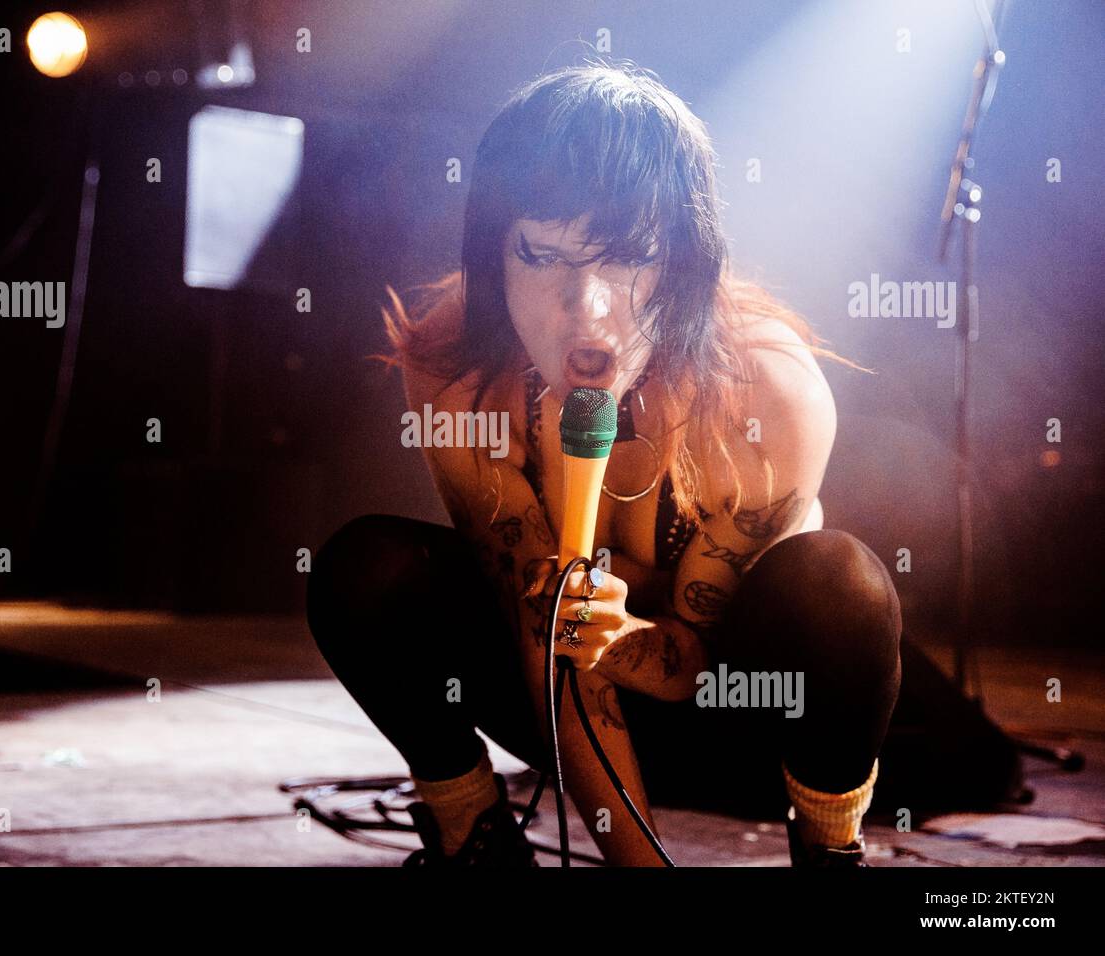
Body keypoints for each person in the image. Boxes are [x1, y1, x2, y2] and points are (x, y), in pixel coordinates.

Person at [306, 59, 902, 867]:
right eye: (542, 256)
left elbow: (695, 661)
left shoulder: (771, 393)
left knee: (843, 585)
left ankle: (831, 850)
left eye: (627, 258)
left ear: (686, 261)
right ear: (494, 257)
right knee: (363, 571)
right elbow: (535, 625)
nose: (585, 309)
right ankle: (472, 834)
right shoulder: (459, 375)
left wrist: (626, 644)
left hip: (734, 710)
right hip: (550, 706)